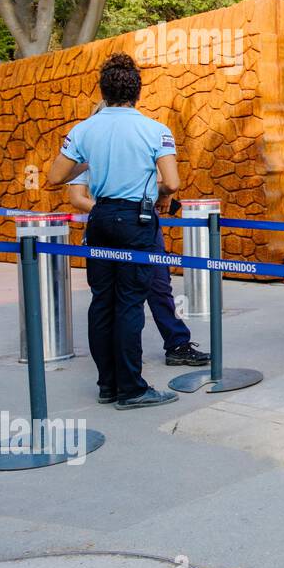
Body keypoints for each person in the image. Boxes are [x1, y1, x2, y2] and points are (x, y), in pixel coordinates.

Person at [47, 53, 182, 409]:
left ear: (103, 92)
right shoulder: (155, 130)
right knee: (129, 303)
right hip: (136, 220)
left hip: (101, 218)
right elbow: (172, 181)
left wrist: (94, 159)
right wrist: (163, 197)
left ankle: (107, 385)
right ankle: (131, 389)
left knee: (102, 302)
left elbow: (55, 177)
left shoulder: (83, 129)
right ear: (137, 92)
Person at [64, 103, 209, 370]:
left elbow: (166, 182)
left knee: (158, 286)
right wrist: (116, 212)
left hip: (141, 226)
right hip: (114, 228)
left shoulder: (136, 145)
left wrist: (160, 197)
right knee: (115, 300)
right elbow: (75, 196)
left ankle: (173, 345)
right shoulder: (89, 146)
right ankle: (120, 373)